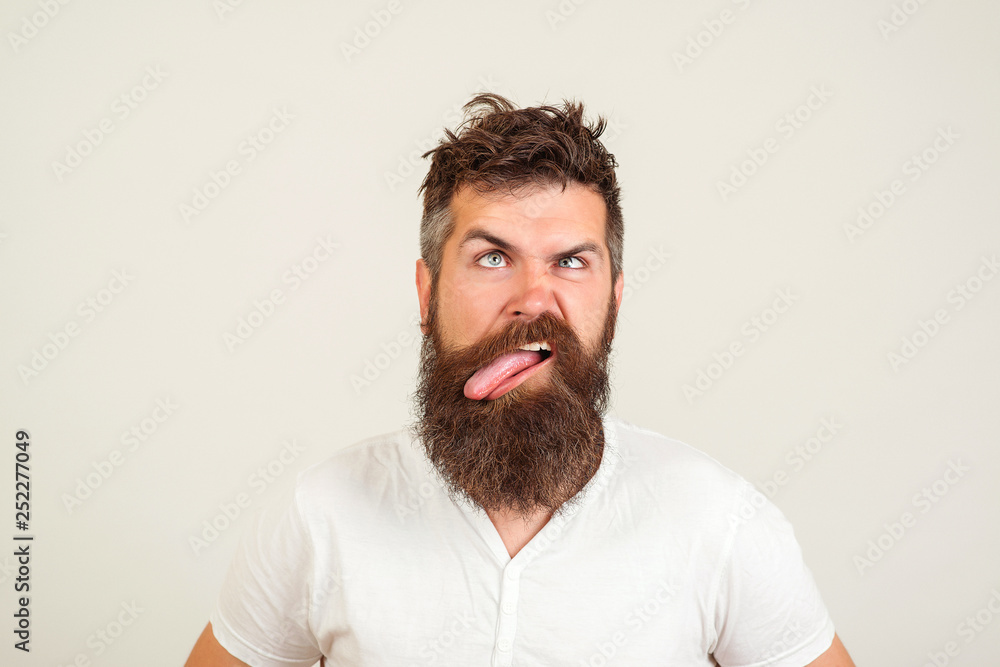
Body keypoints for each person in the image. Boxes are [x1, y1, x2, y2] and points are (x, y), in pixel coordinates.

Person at [186, 94, 855, 666]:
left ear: (614, 302)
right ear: (427, 292)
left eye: (570, 260)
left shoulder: (720, 520)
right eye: (493, 256)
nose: (534, 297)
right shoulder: (322, 514)